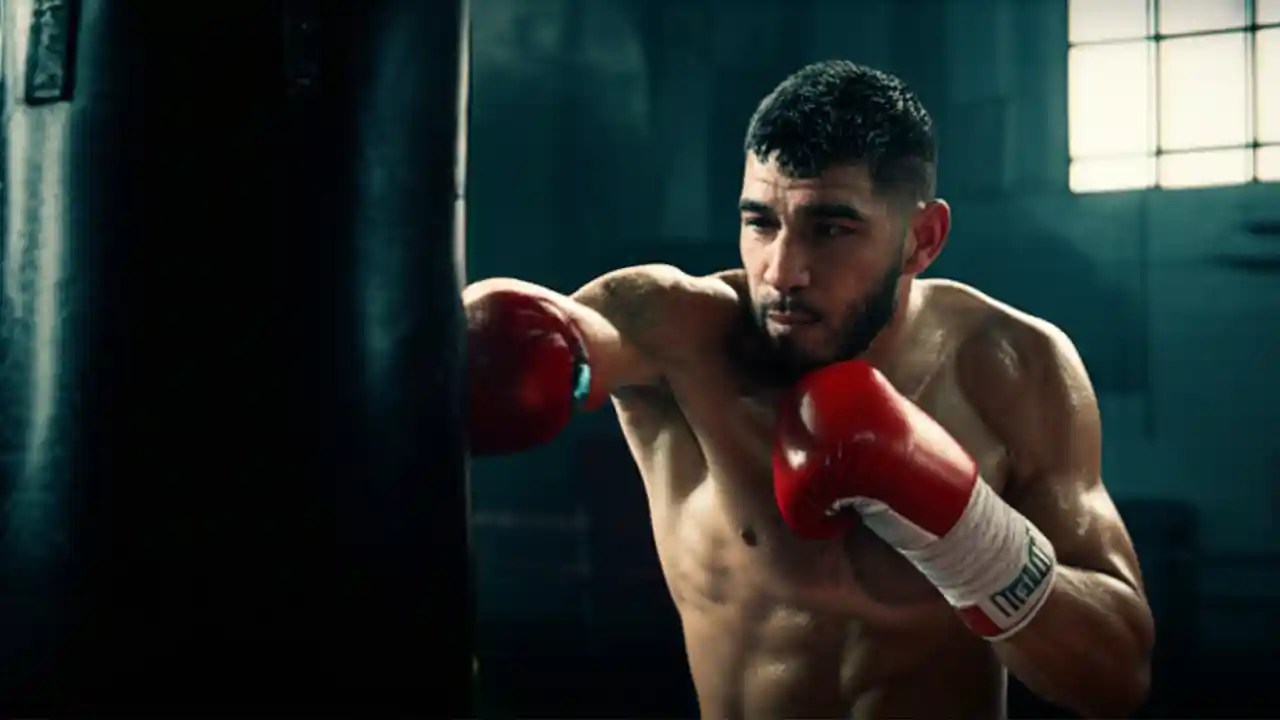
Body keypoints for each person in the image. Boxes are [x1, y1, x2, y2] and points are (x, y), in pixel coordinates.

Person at [465, 60, 1155, 719]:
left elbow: (1117, 678)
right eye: (760, 222)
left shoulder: (1014, 368)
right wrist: (508, 342)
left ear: (922, 238)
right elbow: (573, 329)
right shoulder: (678, 332)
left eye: (830, 228)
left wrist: (967, 532)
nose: (782, 270)